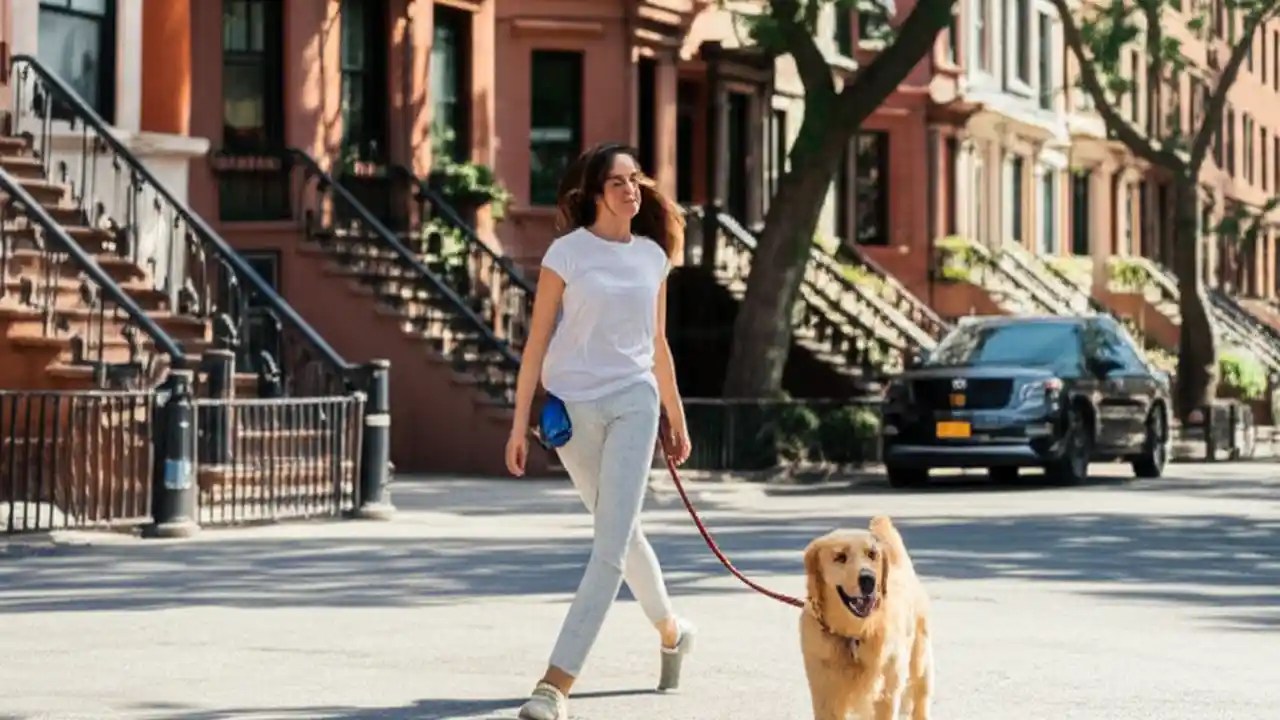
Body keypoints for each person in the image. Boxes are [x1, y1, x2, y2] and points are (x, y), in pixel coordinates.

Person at [504, 142, 695, 720]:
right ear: (592, 194)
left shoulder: (651, 257)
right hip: (573, 409)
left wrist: (674, 414)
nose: (631, 189)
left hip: (634, 400)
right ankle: (672, 630)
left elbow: (657, 344)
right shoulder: (567, 254)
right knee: (623, 534)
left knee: (608, 548)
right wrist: (518, 423)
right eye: (618, 182)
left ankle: (554, 685)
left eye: (635, 179)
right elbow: (537, 341)